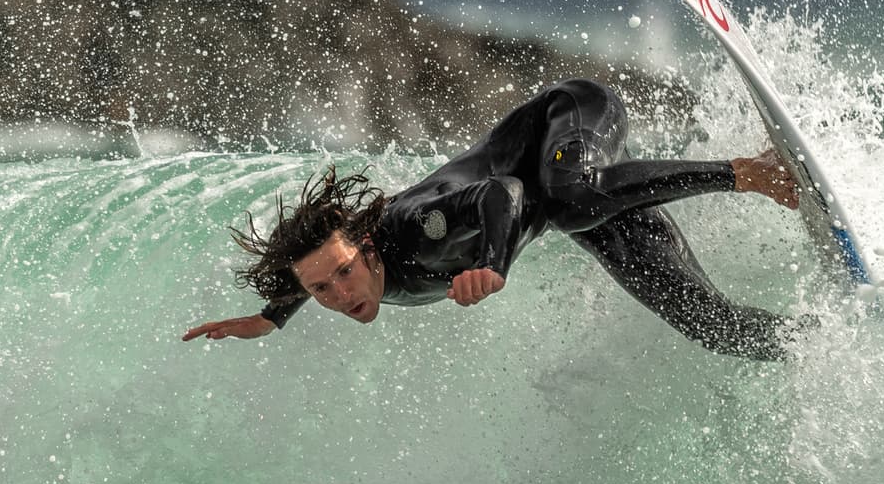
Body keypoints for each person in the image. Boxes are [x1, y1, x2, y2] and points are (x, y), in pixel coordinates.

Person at [183, 79, 801, 360]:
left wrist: (492, 265)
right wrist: (271, 318)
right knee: (712, 325)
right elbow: (310, 271)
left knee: (567, 200)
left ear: (367, 247)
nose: (340, 296)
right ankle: (815, 340)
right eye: (322, 290)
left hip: (571, 119)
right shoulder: (336, 272)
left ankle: (752, 172)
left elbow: (503, 194)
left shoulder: (412, 227)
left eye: (343, 274)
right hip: (588, 208)